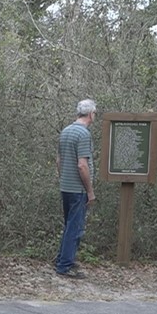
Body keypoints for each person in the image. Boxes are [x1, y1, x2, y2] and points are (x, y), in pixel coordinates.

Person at [54, 99, 97, 278]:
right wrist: (90, 191)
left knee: (69, 225)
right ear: (91, 114)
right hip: (78, 190)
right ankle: (65, 266)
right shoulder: (83, 134)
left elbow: (59, 160)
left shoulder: (66, 131)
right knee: (75, 228)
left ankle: (62, 259)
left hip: (66, 187)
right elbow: (82, 165)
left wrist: (63, 178)